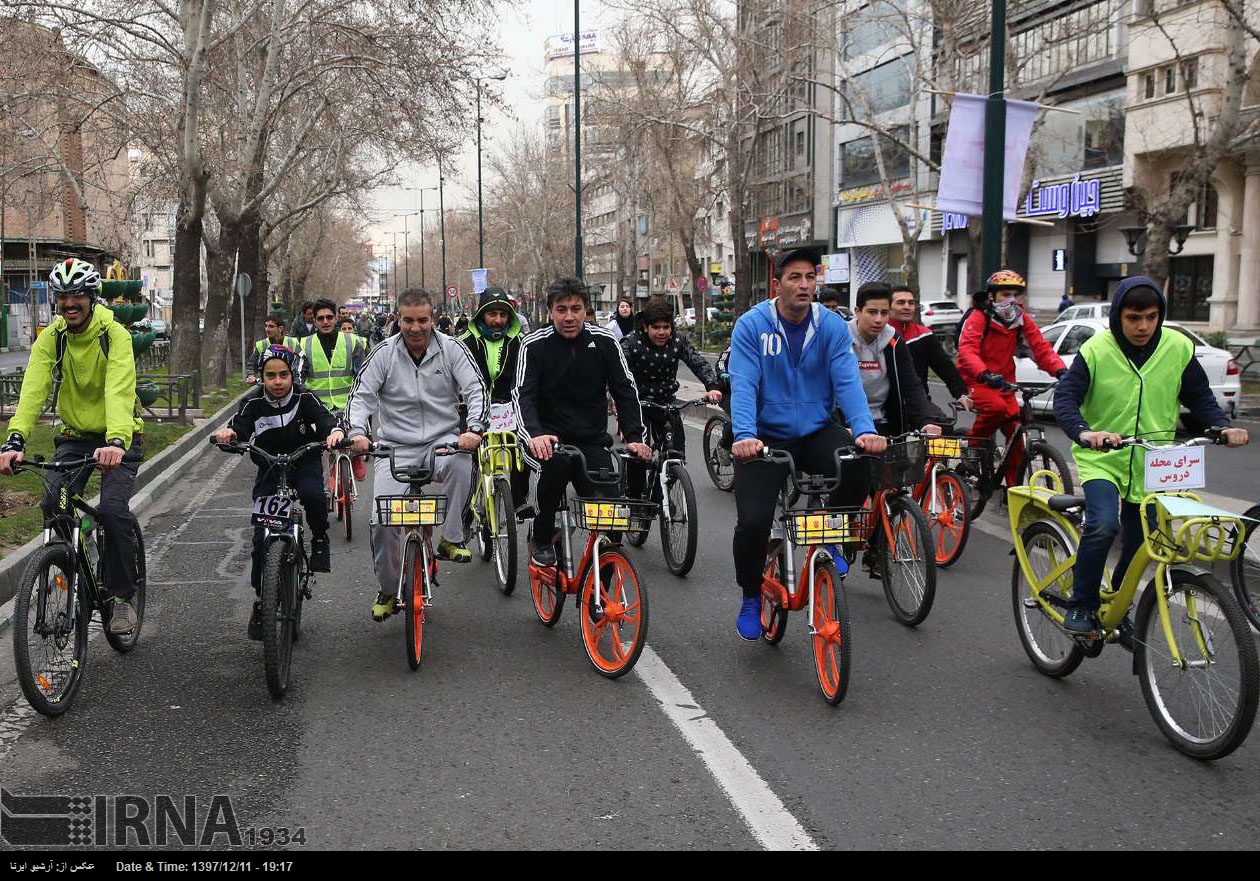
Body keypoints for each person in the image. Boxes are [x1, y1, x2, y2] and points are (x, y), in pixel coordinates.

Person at [1053, 278, 1249, 634]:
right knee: (1102, 525)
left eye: (1151, 316)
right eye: (1133, 318)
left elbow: (1200, 397)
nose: (1143, 326)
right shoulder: (1097, 350)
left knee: (1146, 542)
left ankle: (1118, 606)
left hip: (1155, 461)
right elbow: (1065, 399)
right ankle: (1082, 604)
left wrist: (1221, 425)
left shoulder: (1178, 346)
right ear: (1118, 317)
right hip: (1103, 458)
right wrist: (1085, 432)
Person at [728, 247, 886, 640]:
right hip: (764, 434)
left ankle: (833, 537)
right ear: (777, 283)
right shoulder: (751, 325)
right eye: (794, 277)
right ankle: (750, 594)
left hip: (815, 430)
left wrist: (863, 429)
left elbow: (847, 381)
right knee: (753, 523)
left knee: (855, 462)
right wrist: (745, 436)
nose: (803, 285)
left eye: (810, 277)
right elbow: (744, 384)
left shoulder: (831, 326)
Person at [0, 258, 144, 635]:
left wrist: (115, 440)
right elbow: (33, 387)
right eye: (62, 295)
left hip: (120, 436)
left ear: (91, 296)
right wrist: (15, 438)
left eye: (77, 294)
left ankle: (121, 597)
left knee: (112, 511)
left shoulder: (114, 335)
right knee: (52, 501)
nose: (69, 303)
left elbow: (118, 388)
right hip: (76, 437)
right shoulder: (53, 336)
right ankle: (70, 564)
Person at [346, 288, 488, 621]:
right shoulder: (382, 353)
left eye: (422, 320)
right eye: (408, 320)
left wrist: (474, 430)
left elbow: (475, 389)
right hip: (393, 448)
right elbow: (361, 397)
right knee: (381, 521)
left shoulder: (453, 350)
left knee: (463, 462)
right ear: (398, 319)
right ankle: (388, 587)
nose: (415, 327)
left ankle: (451, 538)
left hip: (442, 444)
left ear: (433, 319)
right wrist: (356, 433)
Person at [514, 277, 651, 568]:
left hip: (591, 441)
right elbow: (523, 395)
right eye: (561, 309)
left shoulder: (604, 341)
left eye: (575, 309)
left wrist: (636, 436)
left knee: (613, 521)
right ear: (550, 311)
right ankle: (541, 535)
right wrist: (535, 435)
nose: (569, 316)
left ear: (586, 310)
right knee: (555, 468)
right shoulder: (533, 344)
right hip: (547, 442)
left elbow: (624, 390)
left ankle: (601, 597)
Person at [213, 346, 340, 639]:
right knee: (260, 539)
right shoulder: (253, 401)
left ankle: (319, 538)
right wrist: (229, 434)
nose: (278, 381)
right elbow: (239, 427)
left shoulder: (304, 397)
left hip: (302, 461)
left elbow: (325, 420)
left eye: (284, 374)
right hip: (270, 467)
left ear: (292, 375)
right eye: (271, 376)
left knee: (314, 497)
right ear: (262, 377)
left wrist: (333, 433)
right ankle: (261, 600)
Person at [956, 269, 1066, 489]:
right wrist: (984, 373)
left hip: (1005, 382)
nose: (1012, 299)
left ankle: (1013, 489)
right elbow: (966, 350)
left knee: (1016, 435)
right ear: (992, 296)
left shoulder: (1020, 319)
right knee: (996, 408)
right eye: (1006, 294)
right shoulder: (979, 317)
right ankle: (972, 447)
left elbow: (1041, 348)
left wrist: (1061, 371)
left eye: (1016, 294)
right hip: (979, 380)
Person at [620, 297, 722, 496]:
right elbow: (619, 374)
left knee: (676, 456)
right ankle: (635, 495)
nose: (662, 332)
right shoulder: (631, 343)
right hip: (638, 405)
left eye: (666, 327)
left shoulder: (677, 341)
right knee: (639, 454)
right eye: (656, 327)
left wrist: (712, 386)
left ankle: (659, 494)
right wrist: (620, 400)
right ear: (645, 326)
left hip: (667, 404)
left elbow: (697, 362)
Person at [460, 286, 530, 511]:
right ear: (481, 314)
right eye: (492, 314)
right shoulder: (463, 342)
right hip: (471, 410)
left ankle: (518, 501)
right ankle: (467, 509)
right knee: (465, 461)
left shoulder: (520, 342)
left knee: (524, 448)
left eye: (503, 314)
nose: (498, 320)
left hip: (509, 410)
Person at [849, 283, 942, 438]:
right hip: (847, 425)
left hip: (885, 423)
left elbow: (911, 384)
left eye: (884, 313)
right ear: (857, 311)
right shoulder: (839, 338)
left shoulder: (894, 340)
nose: (879, 319)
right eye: (872, 312)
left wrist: (927, 421)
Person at [887, 285, 972, 415]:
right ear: (889, 307)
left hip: (918, 402)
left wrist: (961, 394)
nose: (907, 306)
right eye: (900, 303)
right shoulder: (880, 335)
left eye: (911, 303)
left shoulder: (924, 335)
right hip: (884, 404)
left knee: (944, 430)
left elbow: (945, 367)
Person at [246, 316, 302, 385]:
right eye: (266, 326)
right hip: (267, 385)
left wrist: (296, 383)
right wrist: (250, 375)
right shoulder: (261, 344)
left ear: (280, 328)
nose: (267, 329)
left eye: (271, 326)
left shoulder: (293, 342)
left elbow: (301, 364)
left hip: (290, 385)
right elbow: (251, 364)